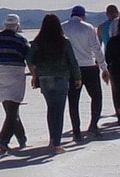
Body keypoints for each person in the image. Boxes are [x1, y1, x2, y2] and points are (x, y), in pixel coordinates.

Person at [27, 13, 83, 149]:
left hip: (45, 78)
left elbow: (29, 59)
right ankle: (57, 143)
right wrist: (77, 77)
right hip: (61, 78)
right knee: (59, 110)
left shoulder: (37, 42)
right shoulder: (64, 41)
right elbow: (73, 61)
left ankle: (52, 139)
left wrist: (35, 74)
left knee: (51, 109)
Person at [0, 15, 31, 151]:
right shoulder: (21, 40)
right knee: (13, 109)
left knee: (10, 109)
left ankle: (22, 138)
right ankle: (3, 140)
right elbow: (30, 59)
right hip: (15, 74)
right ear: (17, 25)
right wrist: (34, 75)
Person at [61, 5, 106, 139]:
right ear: (83, 15)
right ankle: (93, 125)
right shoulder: (88, 27)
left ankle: (76, 131)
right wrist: (103, 67)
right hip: (89, 67)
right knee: (96, 97)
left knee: (73, 101)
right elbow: (96, 48)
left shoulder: (63, 27)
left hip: (71, 69)